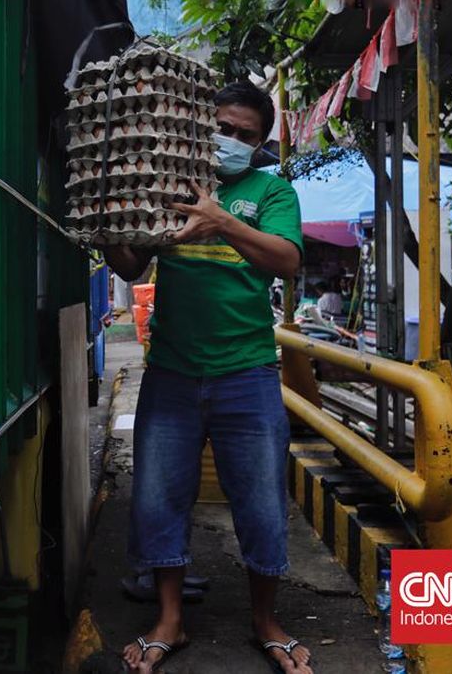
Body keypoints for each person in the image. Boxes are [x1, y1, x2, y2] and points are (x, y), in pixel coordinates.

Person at [103, 81, 312, 674]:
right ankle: (169, 620)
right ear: (202, 126)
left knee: (262, 502)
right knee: (159, 497)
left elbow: (288, 260)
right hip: (170, 371)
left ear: (261, 141)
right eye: (223, 128)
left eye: (246, 135)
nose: (231, 141)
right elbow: (130, 262)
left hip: (246, 372)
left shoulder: (272, 190)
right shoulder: (170, 185)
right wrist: (106, 223)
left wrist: (222, 221)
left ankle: (265, 621)